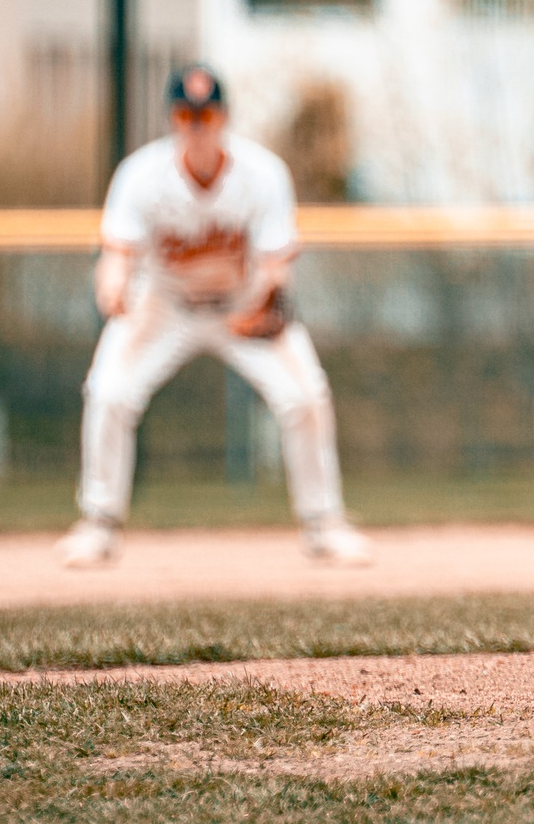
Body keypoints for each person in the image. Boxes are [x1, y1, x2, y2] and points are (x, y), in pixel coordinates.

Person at [56, 66, 370, 568]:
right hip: (163, 305)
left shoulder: (262, 173)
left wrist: (265, 301)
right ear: (172, 119)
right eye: (186, 113)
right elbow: (116, 255)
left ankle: (324, 524)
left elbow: (274, 265)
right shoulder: (141, 174)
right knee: (109, 392)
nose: (197, 124)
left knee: (306, 396)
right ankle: (99, 524)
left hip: (240, 302)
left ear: (223, 116)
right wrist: (111, 285)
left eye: (206, 113)